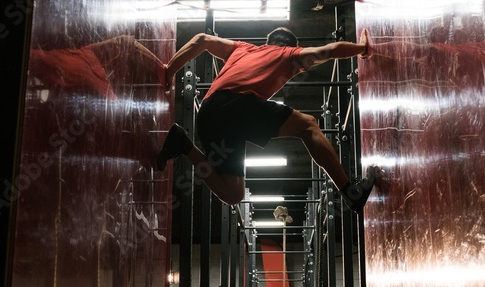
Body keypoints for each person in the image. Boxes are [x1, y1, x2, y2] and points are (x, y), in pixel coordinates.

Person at [155, 27, 376, 212]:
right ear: (292, 45)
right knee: (308, 125)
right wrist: (362, 48)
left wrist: (169, 70)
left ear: (267, 42)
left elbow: (202, 39)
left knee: (233, 194)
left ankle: (183, 144)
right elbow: (329, 51)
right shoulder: (289, 54)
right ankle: (350, 192)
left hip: (209, 112)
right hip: (236, 106)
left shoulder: (242, 49)